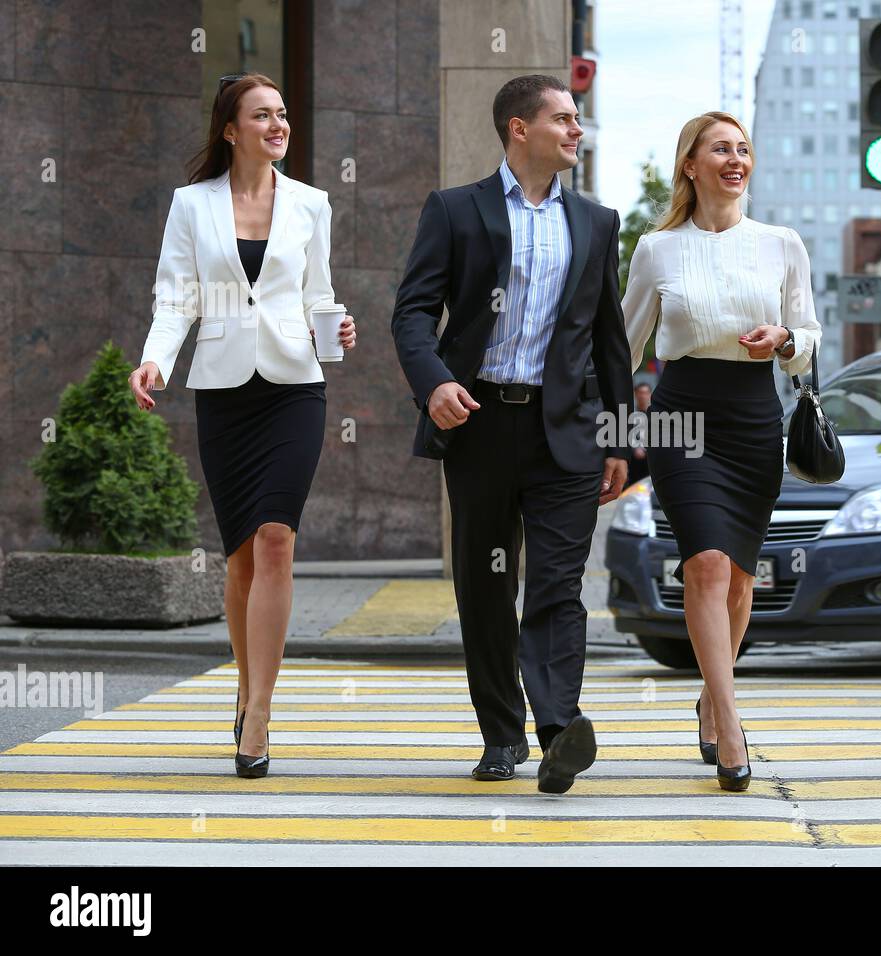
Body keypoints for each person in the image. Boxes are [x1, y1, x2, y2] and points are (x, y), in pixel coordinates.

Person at [390, 74, 633, 793]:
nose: (576, 129)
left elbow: (610, 339)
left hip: (569, 433)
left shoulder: (596, 221)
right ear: (518, 129)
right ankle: (502, 733)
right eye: (562, 118)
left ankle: (558, 729)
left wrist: (619, 436)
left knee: (558, 585)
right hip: (480, 423)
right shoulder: (456, 210)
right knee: (488, 585)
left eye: (578, 118)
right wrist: (433, 382)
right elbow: (411, 315)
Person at [129, 73, 356, 780]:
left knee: (276, 540)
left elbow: (318, 291)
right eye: (263, 115)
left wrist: (336, 328)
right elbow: (178, 295)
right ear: (232, 130)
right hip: (224, 389)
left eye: (283, 114)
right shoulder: (191, 205)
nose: (278, 124)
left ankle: (259, 711)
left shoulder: (312, 204)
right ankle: (245, 684)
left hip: (295, 388)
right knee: (240, 559)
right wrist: (155, 360)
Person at [622, 111, 821, 791]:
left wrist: (787, 340)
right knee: (704, 563)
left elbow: (808, 339)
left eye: (743, 150)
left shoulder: (781, 243)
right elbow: (624, 345)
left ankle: (712, 694)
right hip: (682, 416)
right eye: (720, 150)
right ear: (691, 165)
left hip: (753, 417)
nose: (735, 160)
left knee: (739, 578)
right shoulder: (656, 249)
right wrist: (613, 429)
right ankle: (731, 720)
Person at [625, 382, 653, 485]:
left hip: (651, 458)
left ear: (650, 394)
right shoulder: (629, 415)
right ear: (635, 394)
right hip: (634, 461)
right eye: (640, 393)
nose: (643, 396)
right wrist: (635, 448)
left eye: (646, 393)